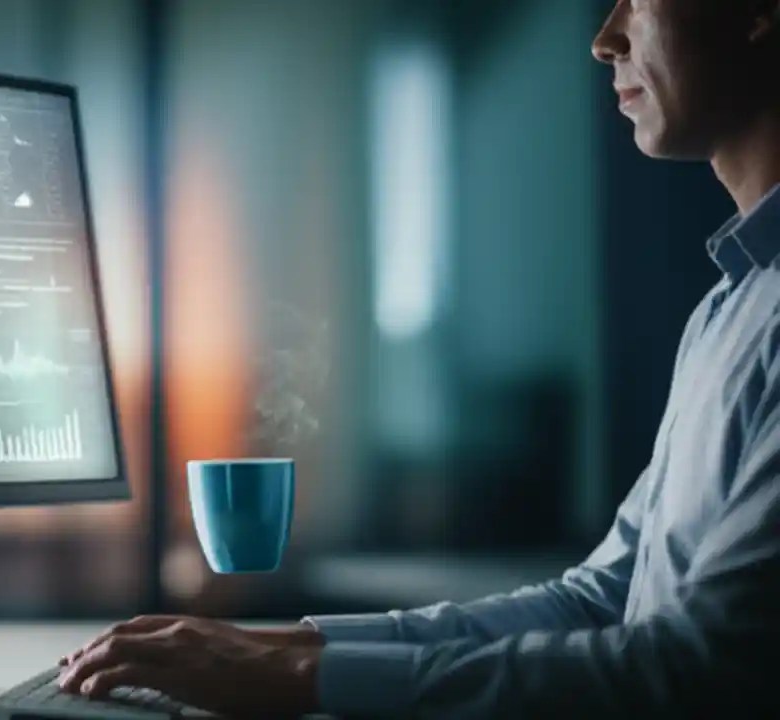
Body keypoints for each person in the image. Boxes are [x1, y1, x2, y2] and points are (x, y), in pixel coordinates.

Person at [56, 0, 780, 716]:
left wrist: (302, 680)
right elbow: (600, 601)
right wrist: (291, 647)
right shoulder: (729, 305)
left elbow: (702, 665)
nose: (604, 38)